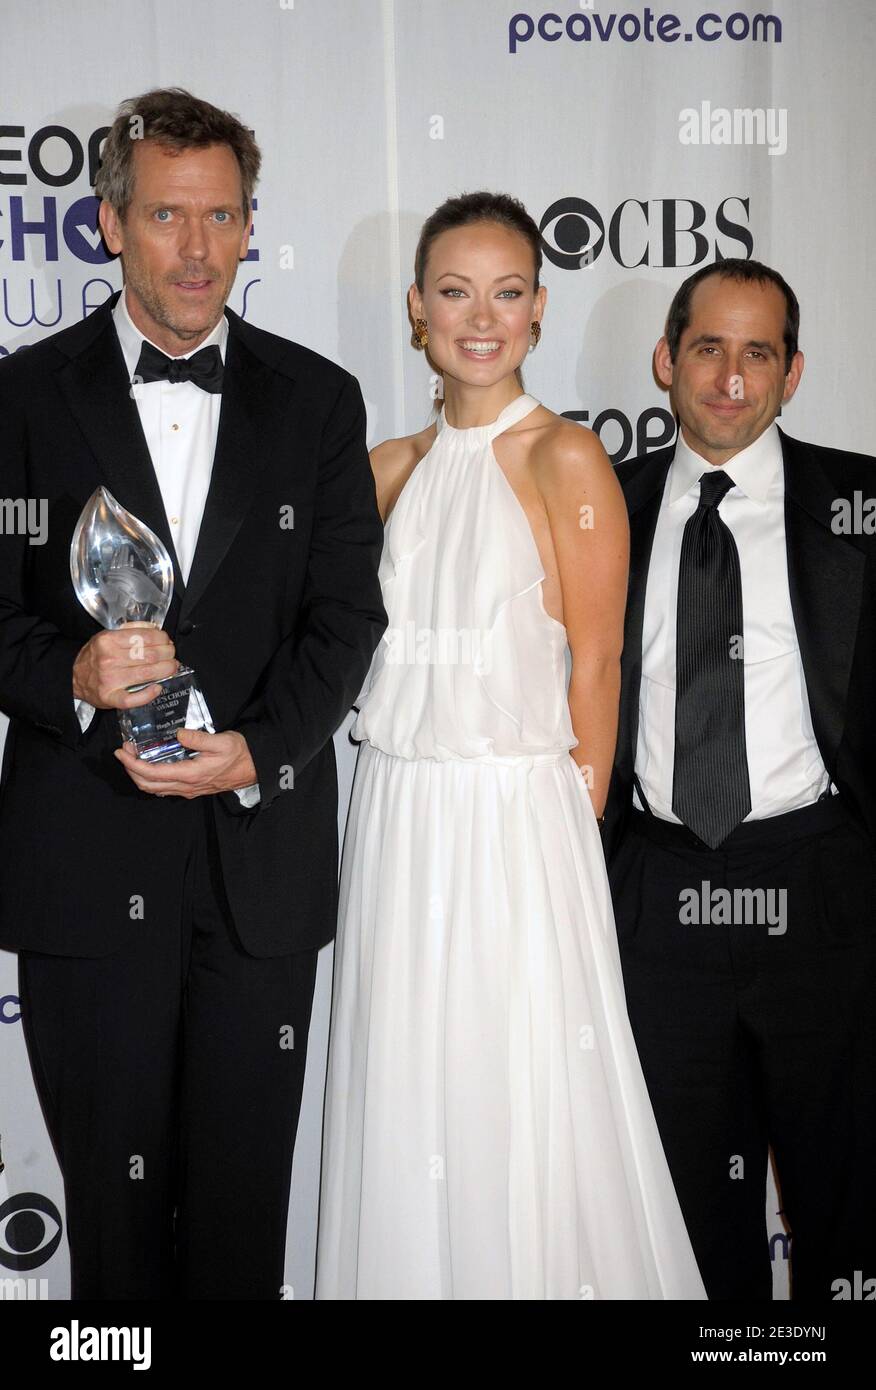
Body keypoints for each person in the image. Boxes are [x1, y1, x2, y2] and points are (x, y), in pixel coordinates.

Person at [0, 88, 386, 1299]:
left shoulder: (319, 401)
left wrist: (261, 751)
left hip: (255, 868)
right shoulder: (18, 398)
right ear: (109, 224)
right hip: (81, 860)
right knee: (112, 1240)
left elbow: (346, 618)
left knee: (236, 1229)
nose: (199, 248)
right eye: (168, 216)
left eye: (222, 216)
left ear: (250, 224)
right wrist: (68, 671)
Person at [315, 192, 706, 1299]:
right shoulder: (385, 468)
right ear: (415, 309)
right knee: (412, 1089)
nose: (479, 317)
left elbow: (596, 665)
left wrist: (560, 847)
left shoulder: (566, 458)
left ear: (537, 312)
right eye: (454, 290)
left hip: (516, 825)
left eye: (506, 292)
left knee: (516, 1086)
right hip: (397, 816)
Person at [603, 258, 876, 1300]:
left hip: (823, 892)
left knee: (847, 1207)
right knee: (683, 1219)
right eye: (708, 347)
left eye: (757, 351)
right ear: (666, 360)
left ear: (793, 372)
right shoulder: (601, 509)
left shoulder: (861, 505)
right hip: (661, 896)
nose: (730, 377)